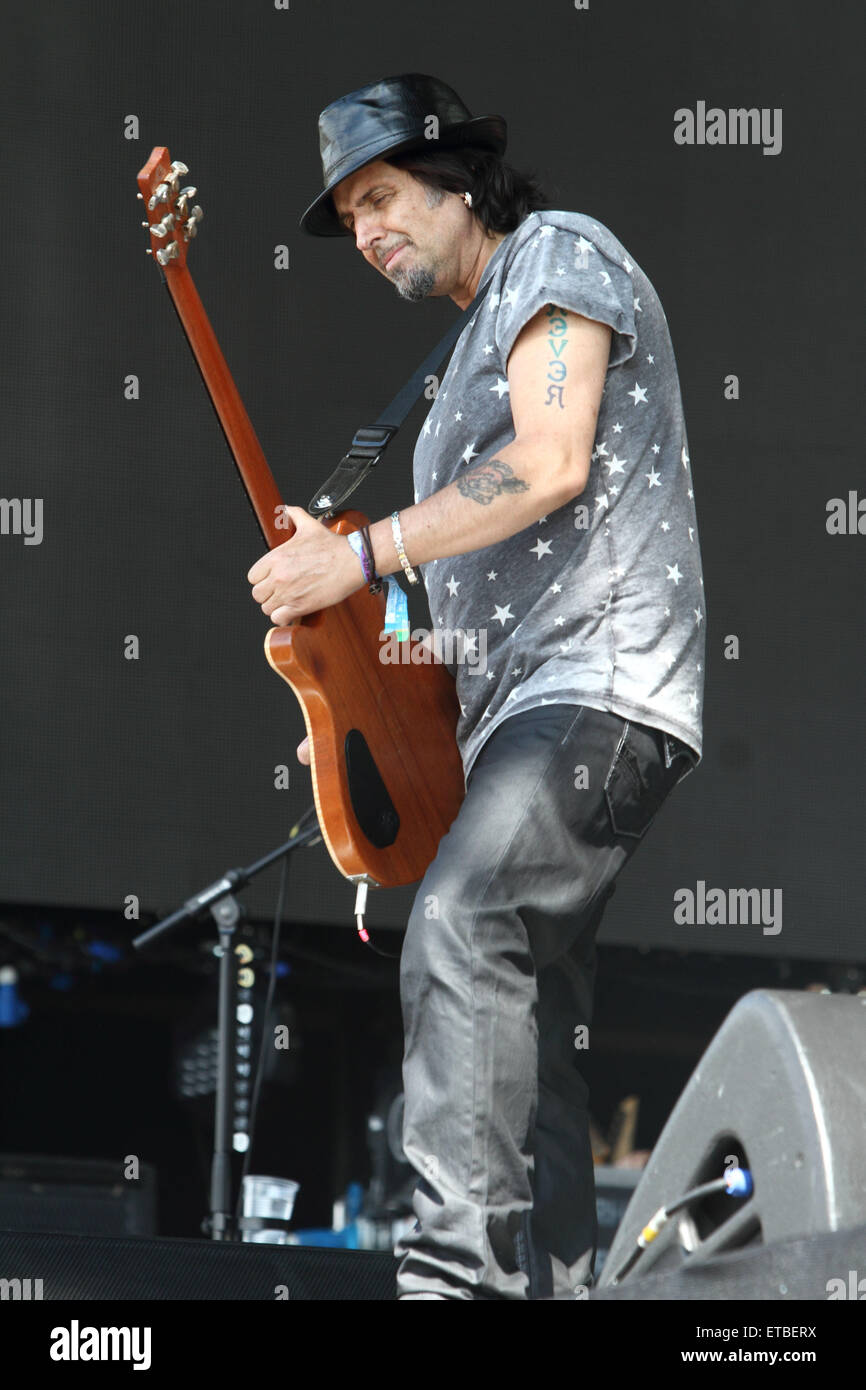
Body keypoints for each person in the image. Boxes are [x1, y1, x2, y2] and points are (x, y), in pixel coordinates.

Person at [246, 73, 706, 1299]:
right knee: (533, 1031)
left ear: (459, 182)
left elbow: (550, 464)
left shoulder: (558, 252)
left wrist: (352, 552)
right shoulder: (460, 365)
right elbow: (468, 625)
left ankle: (452, 1280)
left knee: (461, 925)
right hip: (523, 709)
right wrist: (354, 701)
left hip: (600, 685)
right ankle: (549, 1286)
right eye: (349, 218)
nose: (367, 231)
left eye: (383, 195)